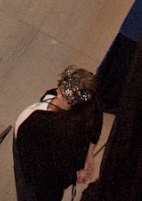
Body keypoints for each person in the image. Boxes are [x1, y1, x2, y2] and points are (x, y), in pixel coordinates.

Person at [13, 66, 103, 201]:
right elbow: (43, 175)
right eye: (60, 91)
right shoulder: (36, 125)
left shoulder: (85, 108)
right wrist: (76, 176)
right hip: (37, 178)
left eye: (64, 98)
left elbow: (96, 119)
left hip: (53, 172)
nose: (58, 96)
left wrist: (90, 154)